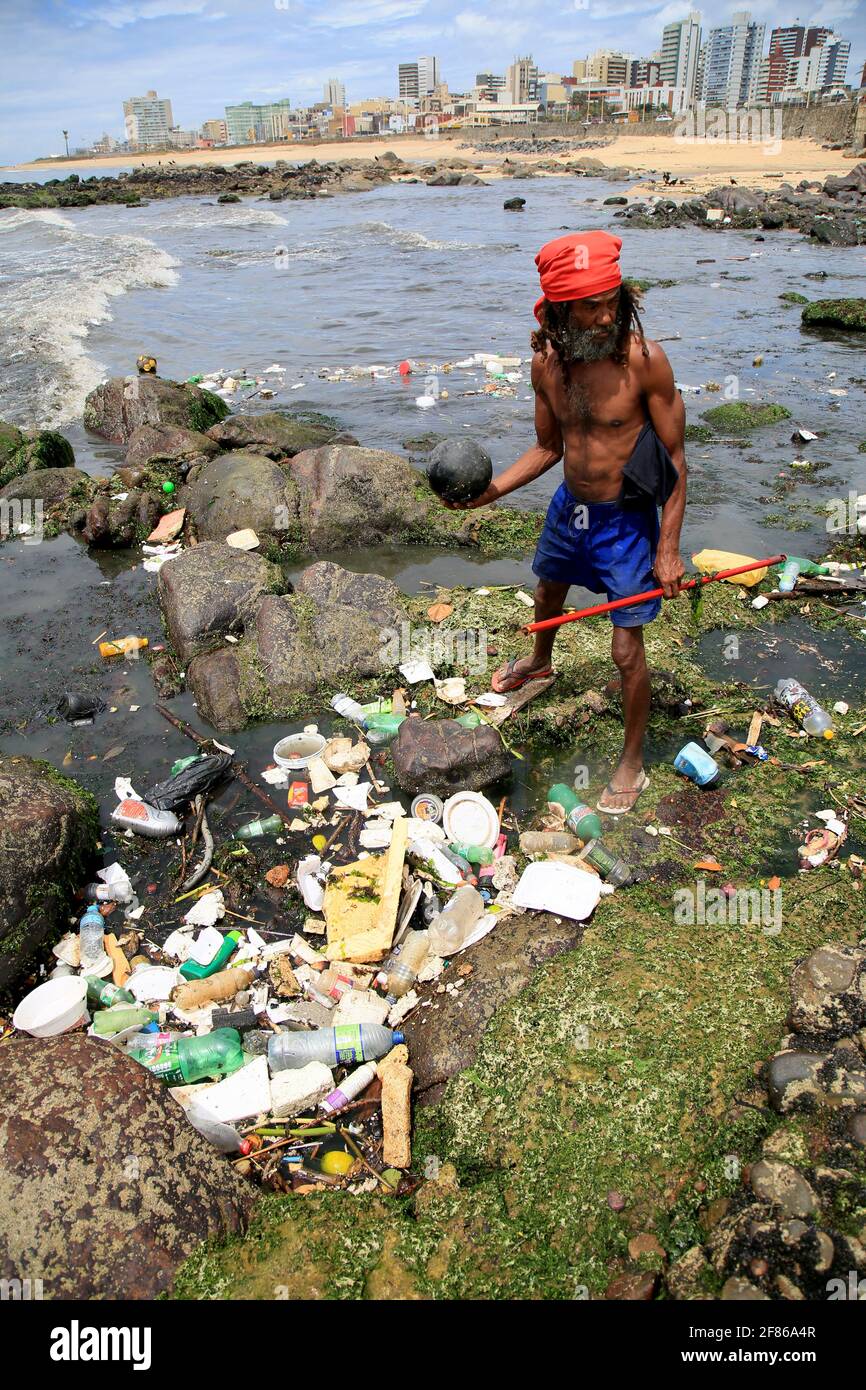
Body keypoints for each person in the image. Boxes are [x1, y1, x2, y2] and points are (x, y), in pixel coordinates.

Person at [442, 230, 687, 814]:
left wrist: (669, 549)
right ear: (560, 309)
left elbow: (676, 460)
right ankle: (540, 661)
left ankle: (632, 761)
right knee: (548, 589)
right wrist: (492, 491)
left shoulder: (644, 363)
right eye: (588, 305)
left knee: (627, 652)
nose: (603, 316)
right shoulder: (546, 366)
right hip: (569, 508)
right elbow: (549, 447)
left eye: (610, 300)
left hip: (627, 520)